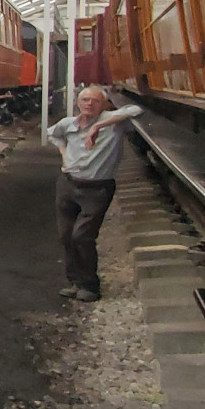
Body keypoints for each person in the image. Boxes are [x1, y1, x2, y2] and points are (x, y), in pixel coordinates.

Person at [45, 85, 143, 301]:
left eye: (95, 101)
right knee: (66, 236)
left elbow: (136, 109)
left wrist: (98, 126)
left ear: (104, 104)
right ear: (79, 102)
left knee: (83, 236)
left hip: (97, 189)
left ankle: (90, 286)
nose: (89, 104)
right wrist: (64, 154)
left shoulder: (114, 122)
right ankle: (75, 282)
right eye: (85, 100)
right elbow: (52, 134)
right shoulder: (68, 124)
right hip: (68, 185)